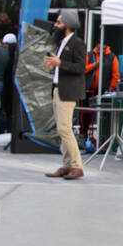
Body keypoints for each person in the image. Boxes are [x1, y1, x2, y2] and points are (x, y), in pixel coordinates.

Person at [43, 10, 86, 180]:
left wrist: (60, 63)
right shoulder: (61, 43)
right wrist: (54, 66)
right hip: (58, 88)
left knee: (64, 128)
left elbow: (80, 67)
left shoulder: (77, 43)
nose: (55, 25)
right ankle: (67, 164)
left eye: (59, 23)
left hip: (67, 91)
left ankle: (76, 165)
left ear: (67, 26)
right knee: (62, 129)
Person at [0, 33, 18, 134]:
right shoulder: (15, 55)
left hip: (7, 87)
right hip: (11, 87)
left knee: (5, 110)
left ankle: (5, 129)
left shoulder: (7, 56)